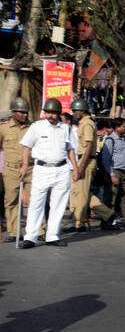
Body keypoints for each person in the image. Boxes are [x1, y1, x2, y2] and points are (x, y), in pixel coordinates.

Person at [16, 98, 79, 248]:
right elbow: (26, 147)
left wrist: (75, 168)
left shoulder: (66, 128)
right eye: (48, 112)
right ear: (44, 113)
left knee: (58, 204)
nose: (51, 115)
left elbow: (70, 149)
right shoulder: (37, 127)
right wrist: (25, 165)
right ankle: (30, 237)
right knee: (36, 203)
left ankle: (52, 236)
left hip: (62, 169)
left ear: (59, 113)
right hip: (42, 169)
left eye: (54, 113)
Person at [1, 97, 32, 241]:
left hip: (30, 169)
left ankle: (39, 231)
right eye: (21, 112)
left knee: (35, 201)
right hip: (11, 169)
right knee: (12, 201)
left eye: (26, 112)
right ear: (13, 112)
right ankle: (14, 232)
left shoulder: (32, 127)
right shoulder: (3, 127)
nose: (24, 115)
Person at [99, 118, 125, 229]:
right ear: (117, 127)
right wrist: (111, 174)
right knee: (110, 198)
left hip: (124, 172)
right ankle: (107, 222)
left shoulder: (124, 140)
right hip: (114, 171)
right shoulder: (110, 140)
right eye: (123, 126)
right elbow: (106, 159)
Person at [69, 98, 97, 231]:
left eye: (75, 111)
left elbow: (89, 145)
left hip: (86, 159)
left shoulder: (87, 124)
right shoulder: (83, 123)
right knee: (80, 191)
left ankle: (79, 223)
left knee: (81, 193)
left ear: (82, 111)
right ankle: (108, 214)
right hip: (83, 159)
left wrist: (81, 166)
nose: (74, 113)